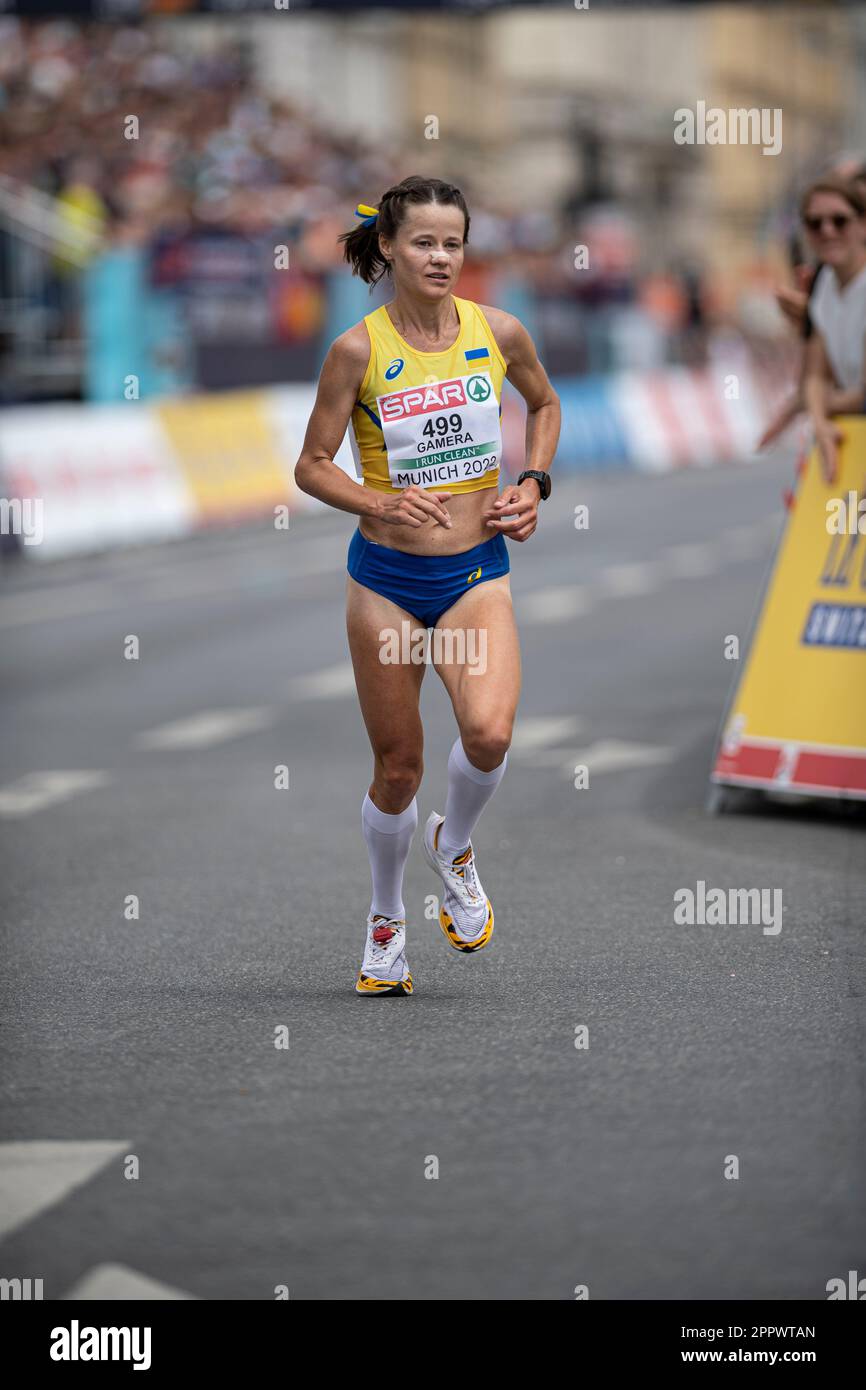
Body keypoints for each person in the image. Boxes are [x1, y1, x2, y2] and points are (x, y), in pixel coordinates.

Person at [294, 175, 561, 995]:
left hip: (477, 568)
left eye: (453, 243)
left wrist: (535, 482)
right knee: (399, 766)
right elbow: (309, 465)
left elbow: (545, 405)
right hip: (386, 579)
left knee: (488, 734)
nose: (441, 257)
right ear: (388, 247)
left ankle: (454, 845)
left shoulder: (500, 331)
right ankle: (385, 920)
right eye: (423, 243)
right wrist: (377, 498)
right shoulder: (356, 351)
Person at [800, 177, 866, 482]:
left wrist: (815, 405)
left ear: (862, 225)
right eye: (815, 223)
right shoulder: (823, 283)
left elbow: (861, 394)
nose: (828, 231)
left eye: (839, 221)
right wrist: (819, 421)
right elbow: (815, 372)